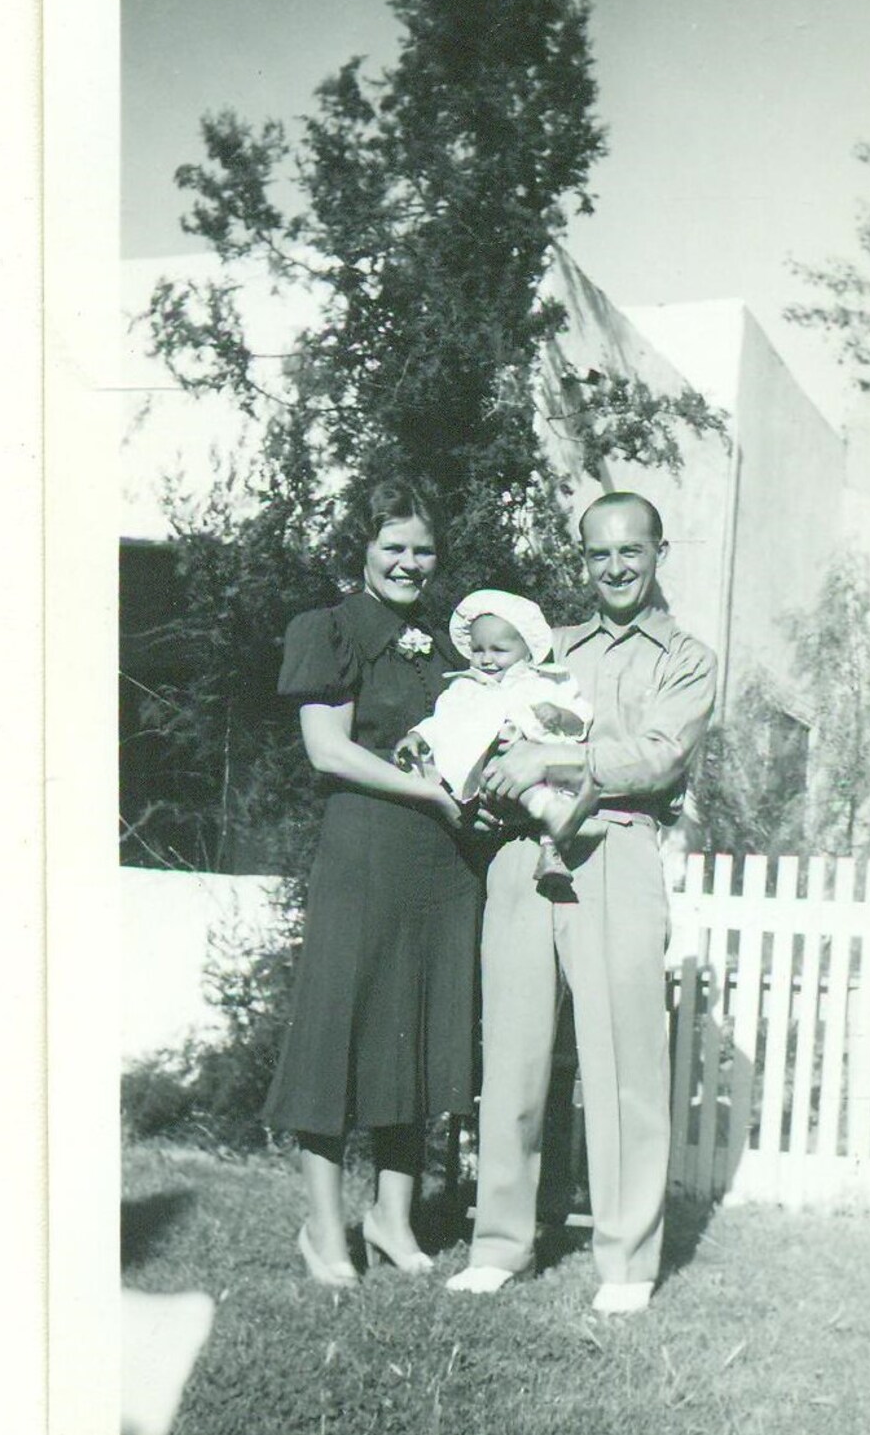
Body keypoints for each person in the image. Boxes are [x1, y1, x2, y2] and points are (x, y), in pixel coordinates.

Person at [447, 492, 716, 1315]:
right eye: (598, 554)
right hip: (523, 852)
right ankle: (499, 1243)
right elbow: (487, 722)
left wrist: (550, 754)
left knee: (625, 1060)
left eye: (631, 551)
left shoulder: (686, 657)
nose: (615, 567)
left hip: (618, 849)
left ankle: (627, 1263)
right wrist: (497, 764)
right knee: (515, 1055)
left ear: (658, 551)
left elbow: (659, 757)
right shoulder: (548, 645)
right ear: (582, 559)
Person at [264, 478, 483, 1286]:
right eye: (393, 545)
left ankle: (392, 1218)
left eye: (423, 549)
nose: (409, 562)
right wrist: (428, 789)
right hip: (363, 856)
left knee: (416, 1035)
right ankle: (324, 1230)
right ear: (361, 550)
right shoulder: (326, 631)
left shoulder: (448, 646)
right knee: (338, 1036)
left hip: (439, 867)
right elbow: (328, 750)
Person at [393, 588, 602, 890]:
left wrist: (559, 715)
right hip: (490, 769)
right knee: (505, 772)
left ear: (527, 650)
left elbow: (581, 717)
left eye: (499, 650)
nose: (486, 659)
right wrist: (417, 735)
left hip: (541, 764)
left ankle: (551, 852)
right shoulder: (467, 686)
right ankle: (554, 818)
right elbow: (442, 720)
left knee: (553, 775)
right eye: (478, 650)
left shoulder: (547, 680)